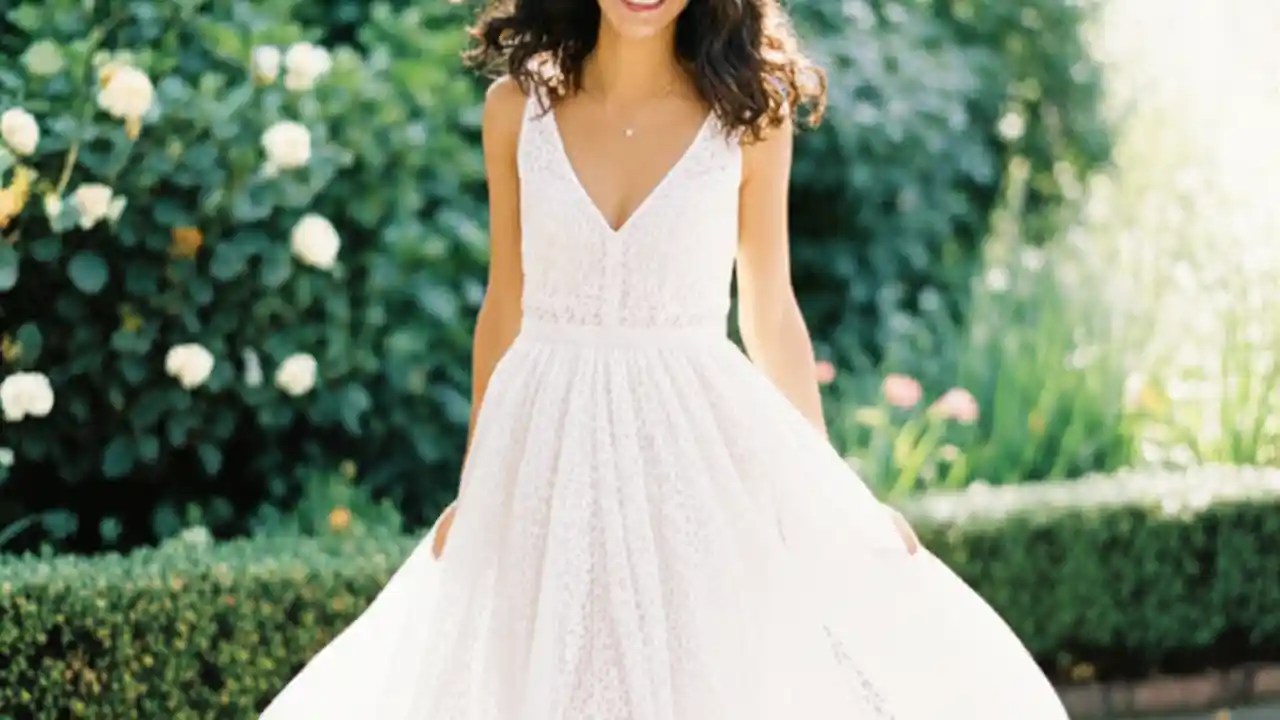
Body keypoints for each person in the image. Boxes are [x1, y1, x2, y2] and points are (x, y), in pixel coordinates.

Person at [261, 0, 1070, 717]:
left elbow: (769, 308)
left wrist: (830, 495)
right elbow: (503, 304)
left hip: (690, 452)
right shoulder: (516, 109)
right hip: (543, 448)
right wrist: (478, 489)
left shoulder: (750, 117)